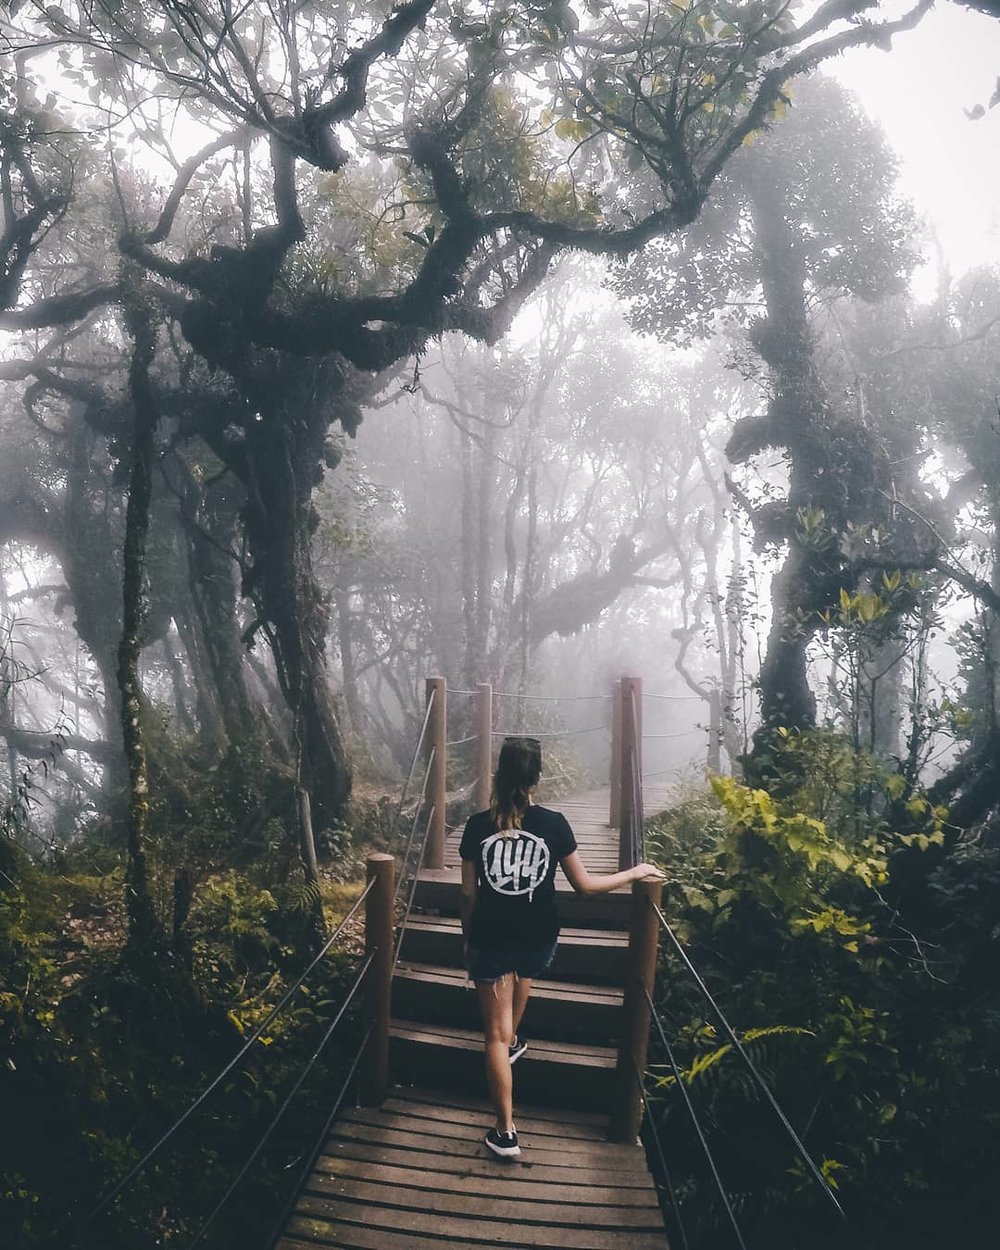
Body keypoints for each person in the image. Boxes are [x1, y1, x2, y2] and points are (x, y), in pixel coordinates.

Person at [459, 735, 664, 1159]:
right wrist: (636, 871)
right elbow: (586, 887)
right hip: (538, 941)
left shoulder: (477, 827)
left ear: (499, 773)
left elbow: (467, 897)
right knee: (523, 970)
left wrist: (471, 937)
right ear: (537, 777)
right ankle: (514, 1039)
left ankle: (505, 1132)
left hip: (491, 941)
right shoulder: (554, 824)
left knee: (493, 1037)